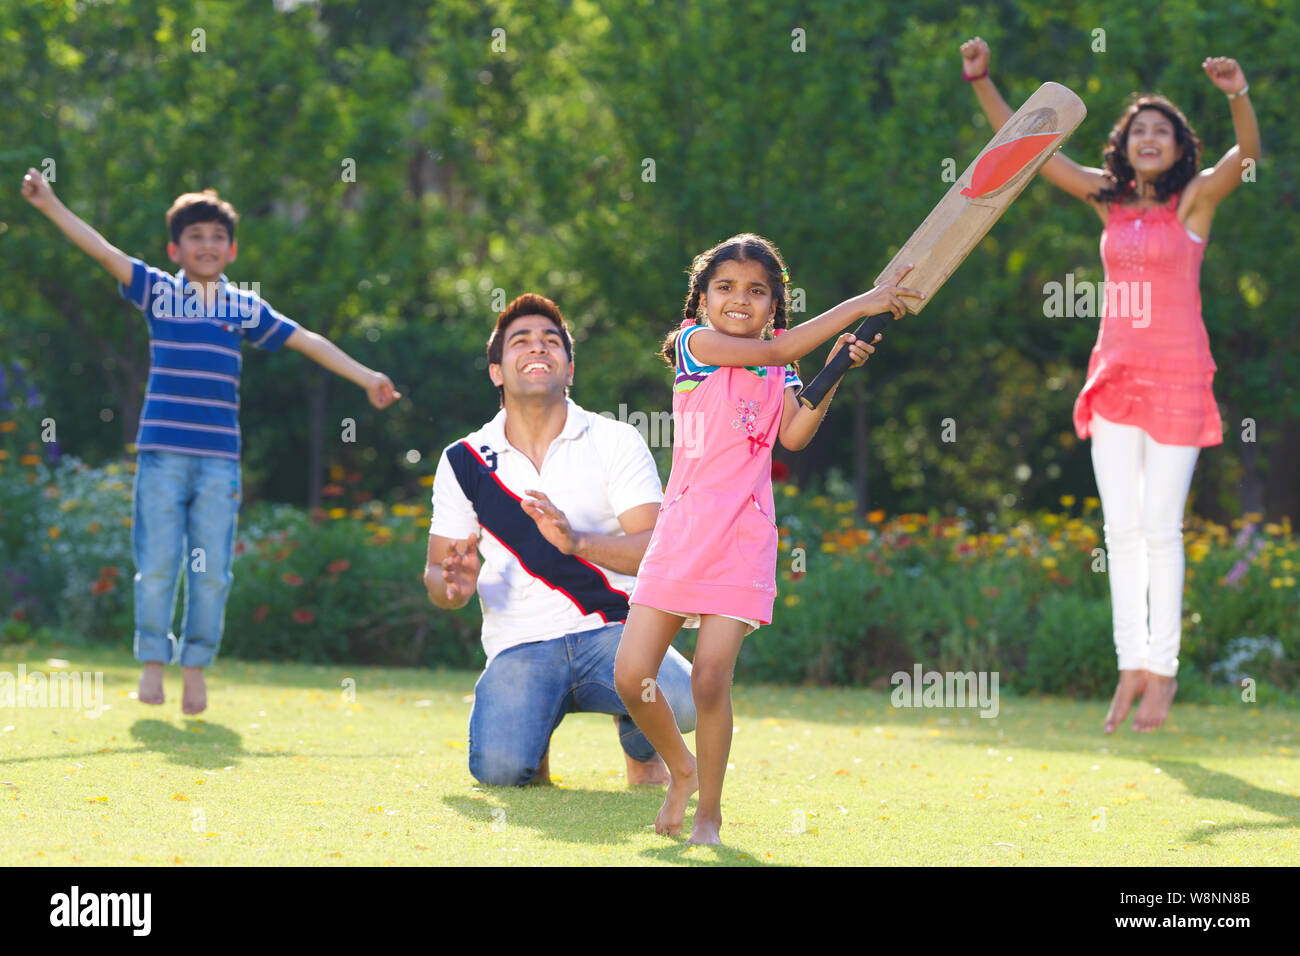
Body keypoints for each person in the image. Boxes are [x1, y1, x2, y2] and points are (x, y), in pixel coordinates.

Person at [959, 39, 1261, 733]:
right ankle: (1131, 666)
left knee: (1161, 529)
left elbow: (1242, 157)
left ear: (1180, 147)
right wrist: (983, 81)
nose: (1149, 138)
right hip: (1117, 375)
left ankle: (1164, 674)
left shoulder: (1193, 203)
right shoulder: (1109, 203)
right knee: (1121, 530)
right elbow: (1031, 152)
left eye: (1162, 130)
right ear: (1122, 149)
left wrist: (1237, 93)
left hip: (1180, 377)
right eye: (1138, 130)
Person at [20, 172, 400, 714]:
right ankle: (153, 662)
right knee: (155, 565)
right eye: (194, 236)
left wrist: (367, 378)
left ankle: (195, 668)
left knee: (212, 571)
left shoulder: (244, 308)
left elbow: (307, 339)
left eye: (216, 237)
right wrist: (51, 204)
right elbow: (102, 251)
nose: (206, 245)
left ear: (232, 249)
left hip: (220, 464)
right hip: (162, 457)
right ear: (176, 249)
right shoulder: (157, 290)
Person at [614, 234, 922, 844]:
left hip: (743, 537)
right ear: (701, 299)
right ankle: (683, 770)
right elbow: (781, 343)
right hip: (682, 531)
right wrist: (867, 301)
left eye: (757, 291)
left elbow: (795, 433)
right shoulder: (694, 344)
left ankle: (710, 814)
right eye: (725, 287)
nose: (740, 299)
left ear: (774, 303)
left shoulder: (778, 365)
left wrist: (835, 367)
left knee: (709, 677)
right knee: (631, 676)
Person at [425, 293, 696, 788]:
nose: (538, 348)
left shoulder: (615, 439)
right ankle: (535, 731)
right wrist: (453, 587)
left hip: (614, 631)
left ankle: (641, 745)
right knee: (502, 771)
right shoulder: (462, 459)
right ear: (496, 371)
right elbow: (438, 580)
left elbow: (657, 551)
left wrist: (578, 542)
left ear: (569, 370)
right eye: (521, 341)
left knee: (684, 698)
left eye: (552, 341)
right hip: (520, 644)